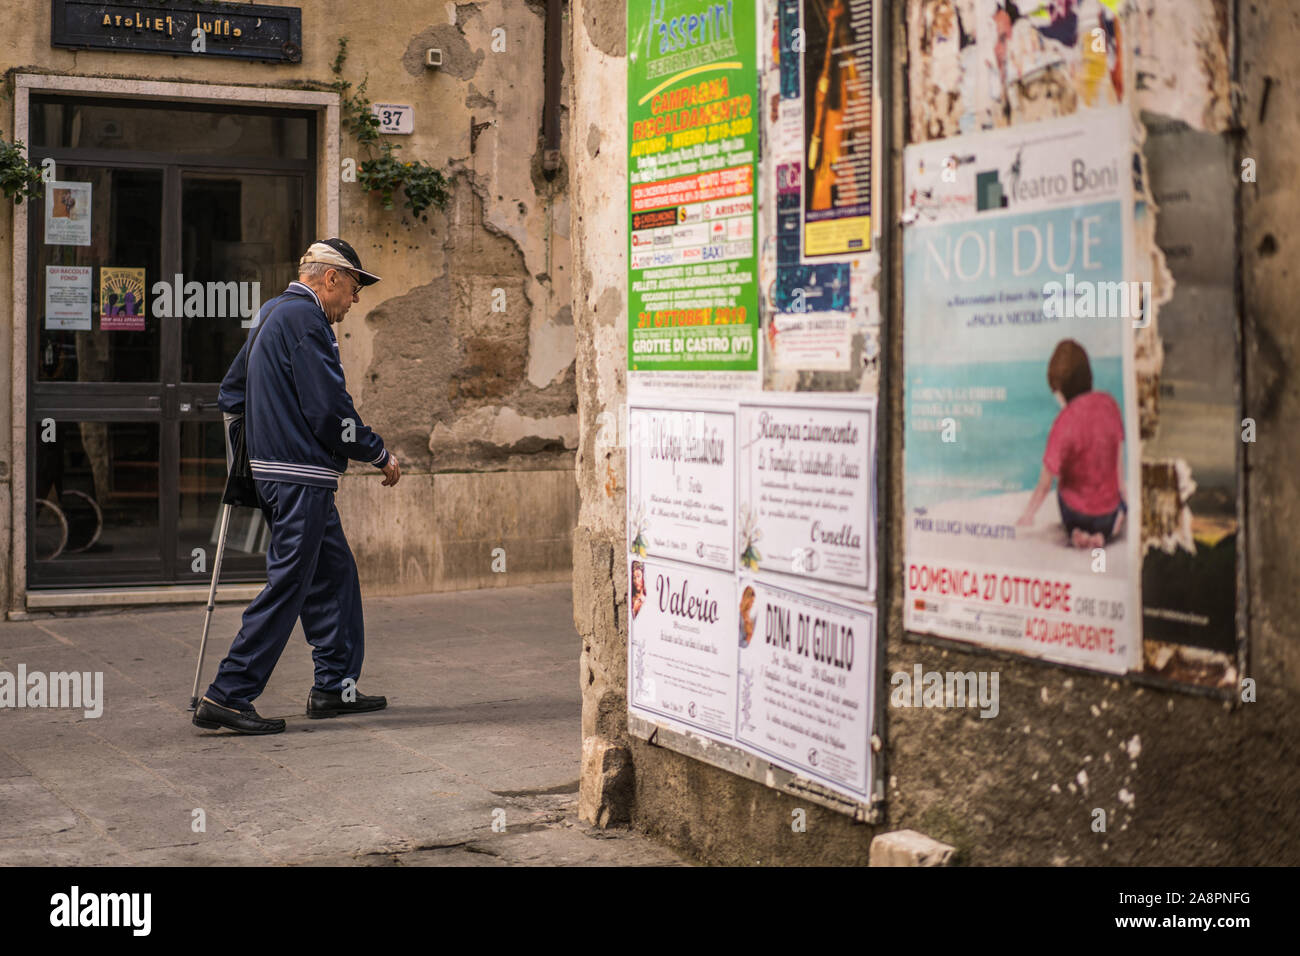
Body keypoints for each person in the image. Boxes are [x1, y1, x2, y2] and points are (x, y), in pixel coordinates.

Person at [193, 238, 401, 735]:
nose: (354, 300)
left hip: (281, 474)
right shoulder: (306, 320)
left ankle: (336, 687)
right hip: (298, 478)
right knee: (290, 584)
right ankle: (229, 692)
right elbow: (329, 409)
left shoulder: (270, 312)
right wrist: (377, 452)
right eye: (354, 287)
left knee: (335, 577)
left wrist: (255, 454)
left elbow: (231, 392)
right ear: (330, 278)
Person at [1017, 339, 1126, 549]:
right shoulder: (1109, 404)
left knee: (1063, 489)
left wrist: (1027, 516)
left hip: (1075, 514)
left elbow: (1044, 485)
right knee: (1118, 507)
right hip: (1108, 514)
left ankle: (1077, 532)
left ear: (1059, 390)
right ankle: (1102, 535)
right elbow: (1118, 467)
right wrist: (1122, 502)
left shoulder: (1063, 421)